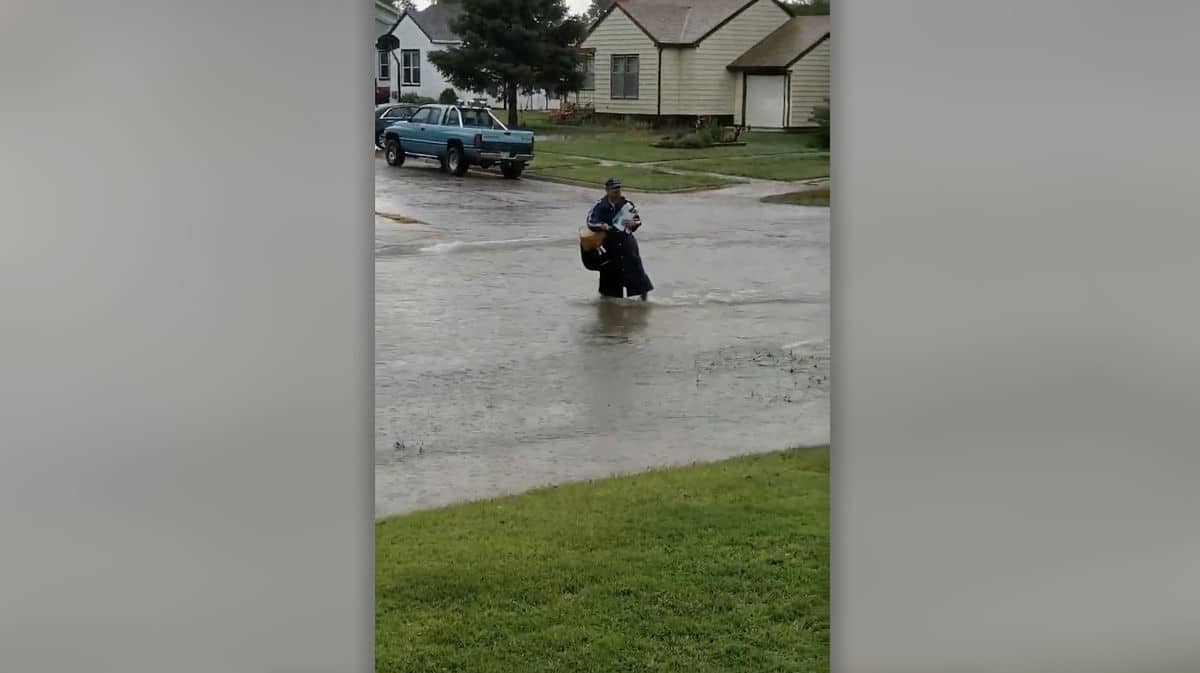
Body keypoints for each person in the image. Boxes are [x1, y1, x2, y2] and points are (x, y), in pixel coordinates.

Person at [580, 177, 654, 301]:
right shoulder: (600, 206)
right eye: (614, 189)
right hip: (610, 246)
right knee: (610, 275)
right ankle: (609, 304)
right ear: (607, 190)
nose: (617, 192)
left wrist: (633, 224)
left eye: (618, 189)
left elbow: (638, 220)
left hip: (627, 244)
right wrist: (601, 226)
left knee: (636, 273)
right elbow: (590, 222)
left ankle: (643, 300)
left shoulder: (627, 204)